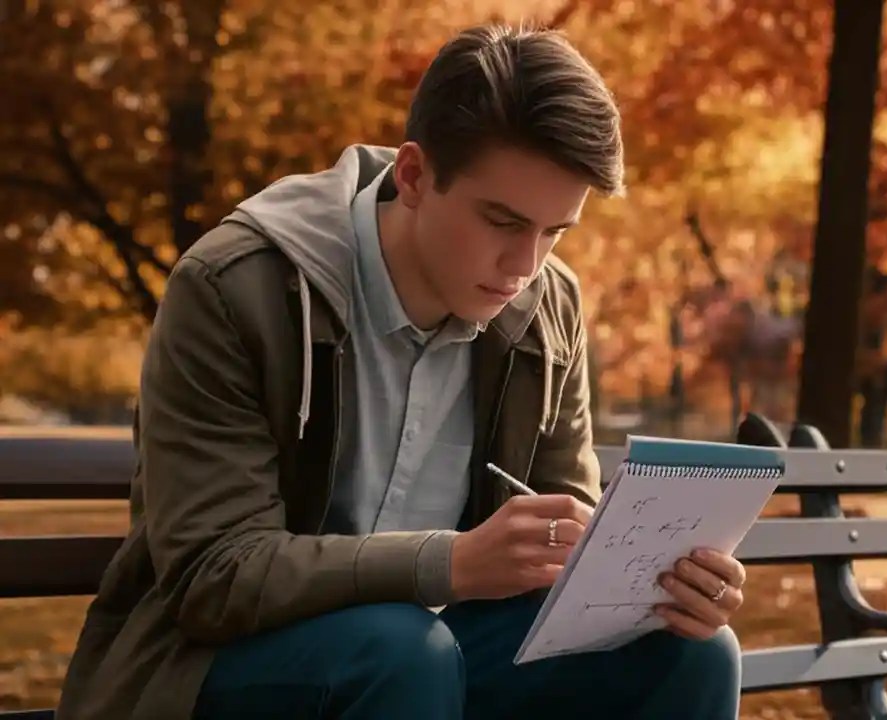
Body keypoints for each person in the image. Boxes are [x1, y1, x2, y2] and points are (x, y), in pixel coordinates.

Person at [57, 23, 747, 720]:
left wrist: (655, 584)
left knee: (693, 652)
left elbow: (560, 541)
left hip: (441, 654)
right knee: (400, 649)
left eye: (555, 231)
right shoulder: (238, 287)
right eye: (503, 221)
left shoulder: (547, 306)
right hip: (212, 665)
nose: (526, 264)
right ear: (414, 176)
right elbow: (214, 578)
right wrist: (448, 562)